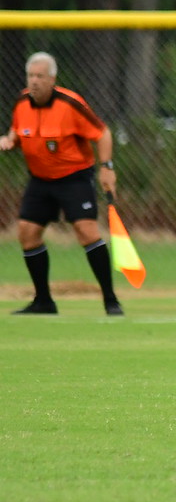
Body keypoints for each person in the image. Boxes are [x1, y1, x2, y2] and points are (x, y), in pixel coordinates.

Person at [0, 52, 123, 315]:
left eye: (40, 76)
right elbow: (18, 129)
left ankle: (110, 300)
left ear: (52, 79)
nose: (34, 81)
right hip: (40, 179)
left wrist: (107, 168)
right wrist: (10, 139)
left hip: (73, 178)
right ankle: (43, 301)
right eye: (31, 76)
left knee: (87, 232)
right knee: (27, 233)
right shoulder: (22, 102)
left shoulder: (70, 104)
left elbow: (103, 133)